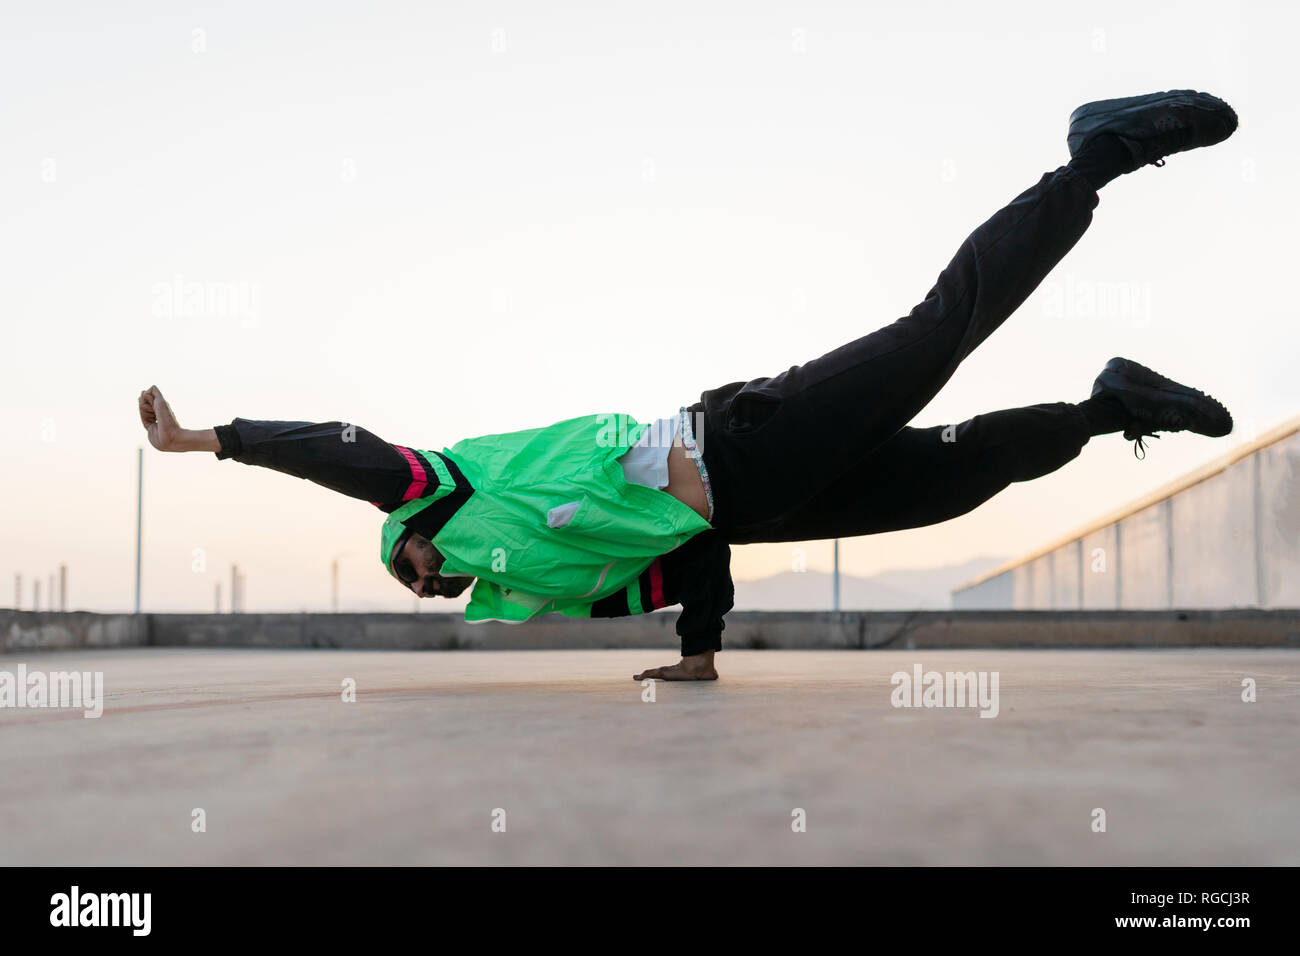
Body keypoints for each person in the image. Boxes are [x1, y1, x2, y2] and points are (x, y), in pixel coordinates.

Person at [137, 89, 1238, 682]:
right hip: (763, 505)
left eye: (411, 570)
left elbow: (340, 447)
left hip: (739, 439)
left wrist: (211, 441)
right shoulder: (532, 582)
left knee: (936, 331)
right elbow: (681, 552)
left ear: (406, 538)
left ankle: (1092, 156)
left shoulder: (443, 492)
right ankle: (1110, 405)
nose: (422, 582)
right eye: (422, 587)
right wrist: (699, 655)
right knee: (955, 479)